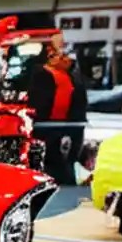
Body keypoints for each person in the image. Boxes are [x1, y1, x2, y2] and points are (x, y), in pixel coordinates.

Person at [27, 38, 87, 185]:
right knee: (49, 158)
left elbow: (79, 101)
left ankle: (65, 180)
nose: (68, 61)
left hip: (66, 125)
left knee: (64, 160)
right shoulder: (41, 74)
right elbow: (38, 99)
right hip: (46, 125)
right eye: (64, 57)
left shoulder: (72, 78)